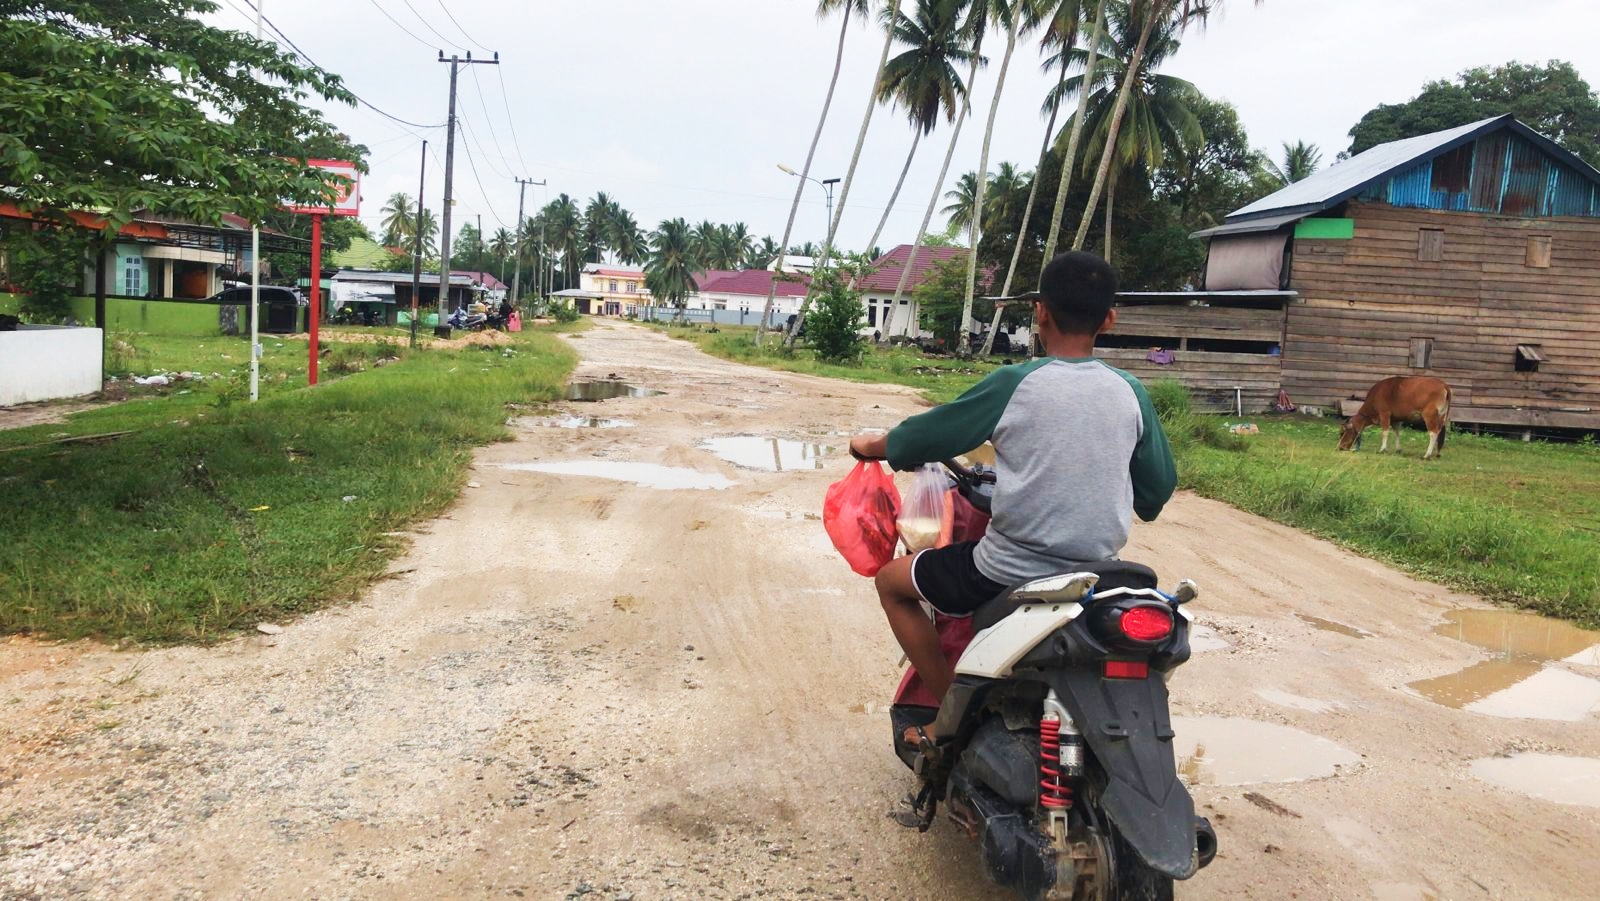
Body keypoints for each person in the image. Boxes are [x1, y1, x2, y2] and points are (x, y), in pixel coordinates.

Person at [848, 251, 1177, 746]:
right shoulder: (1131, 391)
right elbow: (1154, 494)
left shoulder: (1015, 382)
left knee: (892, 583)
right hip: (1098, 575)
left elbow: (919, 439)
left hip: (1006, 571)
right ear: (1108, 319)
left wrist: (870, 445)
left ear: (1040, 311)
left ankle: (951, 717)